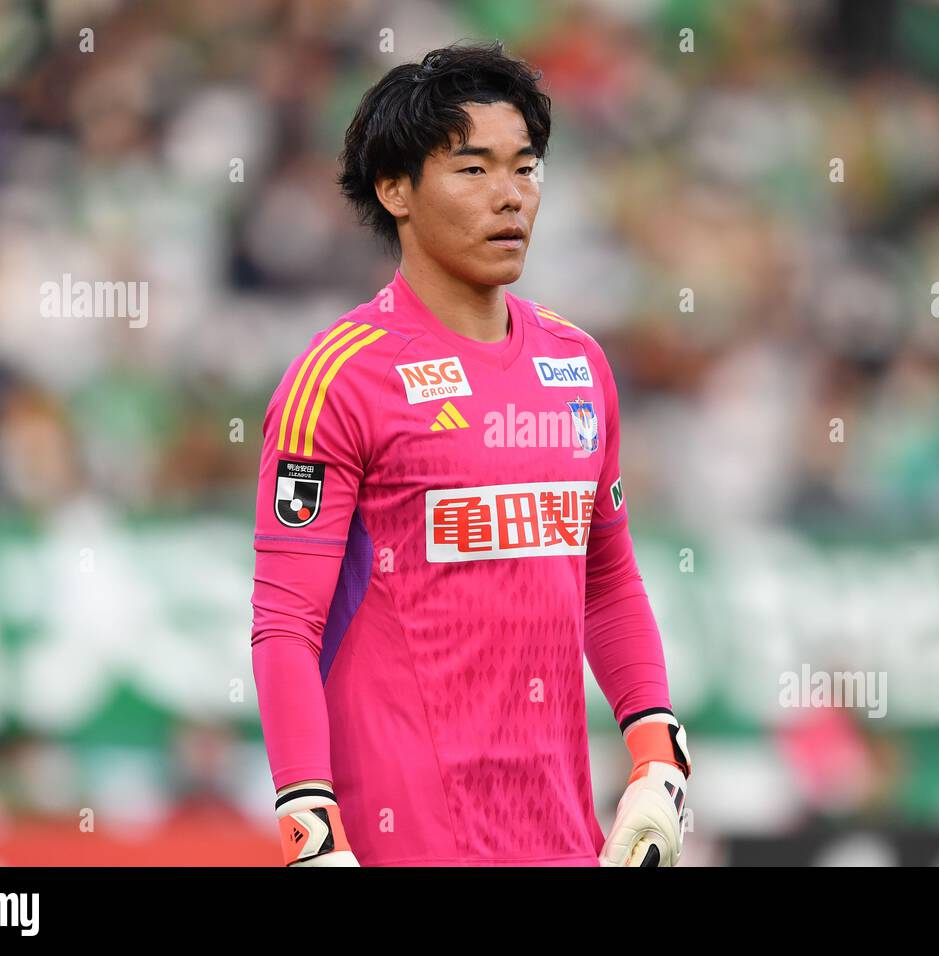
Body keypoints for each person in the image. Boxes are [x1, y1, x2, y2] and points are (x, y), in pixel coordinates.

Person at [250, 41, 690, 867]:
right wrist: (309, 825)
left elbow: (608, 581)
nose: (511, 197)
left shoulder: (580, 366)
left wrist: (658, 757)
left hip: (560, 834)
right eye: (473, 170)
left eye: (526, 169)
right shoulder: (337, 377)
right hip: (403, 838)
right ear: (395, 191)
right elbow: (284, 624)